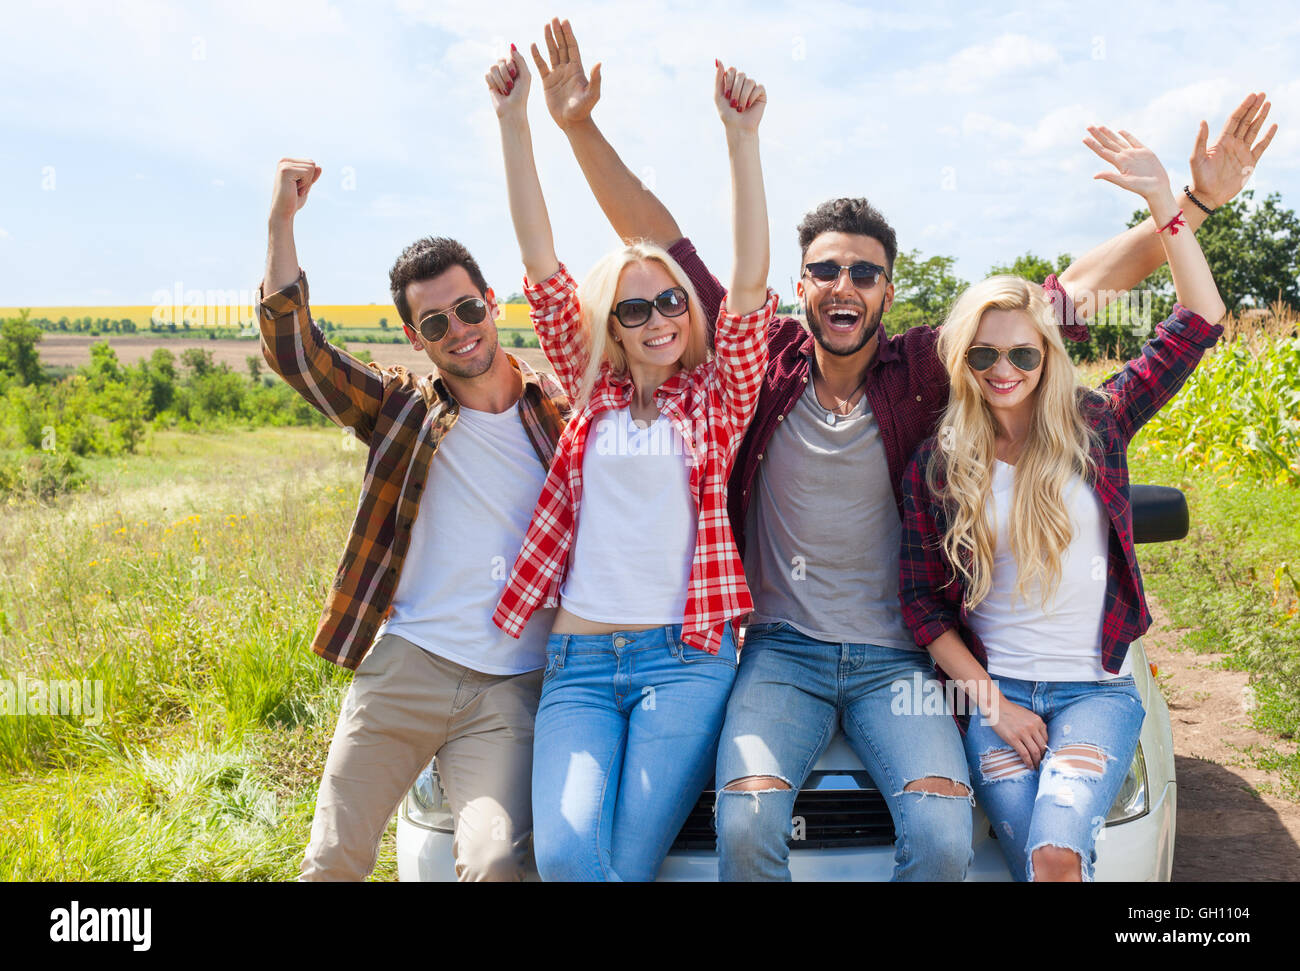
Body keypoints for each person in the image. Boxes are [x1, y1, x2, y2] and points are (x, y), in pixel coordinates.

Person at [526, 16, 1276, 880]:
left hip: (901, 659)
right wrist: (578, 126)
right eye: (827, 270)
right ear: (800, 284)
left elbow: (1077, 290)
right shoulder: (755, 361)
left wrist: (1195, 208)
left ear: (890, 286)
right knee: (745, 830)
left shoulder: (929, 367)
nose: (845, 286)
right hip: (781, 650)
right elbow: (659, 242)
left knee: (946, 837)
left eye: (866, 272)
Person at [898, 128, 1227, 881]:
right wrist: (994, 707)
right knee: (1043, 862)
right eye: (984, 355)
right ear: (962, 362)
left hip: (1095, 693)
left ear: (1048, 355)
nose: (1004, 369)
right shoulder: (940, 465)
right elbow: (921, 604)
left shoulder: (1096, 423)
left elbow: (1198, 321)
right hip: (999, 695)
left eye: (1022, 353)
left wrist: (1165, 204)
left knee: (1052, 853)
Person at [484, 42, 776, 881]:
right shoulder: (591, 395)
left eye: (672, 300)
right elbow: (541, 264)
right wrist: (515, 122)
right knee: (574, 856)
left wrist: (741, 140)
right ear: (611, 323)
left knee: (619, 863)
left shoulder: (717, 402)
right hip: (577, 663)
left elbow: (750, 285)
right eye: (635, 305)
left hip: (685, 662)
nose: (659, 318)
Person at [257, 158, 570, 881]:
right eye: (435, 322)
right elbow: (296, 352)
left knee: (495, 863)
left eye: (467, 309)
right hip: (407, 670)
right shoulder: (402, 409)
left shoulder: (555, 415)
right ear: (414, 334)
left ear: (492, 302)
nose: (458, 330)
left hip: (509, 687)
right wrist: (281, 222)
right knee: (333, 859)